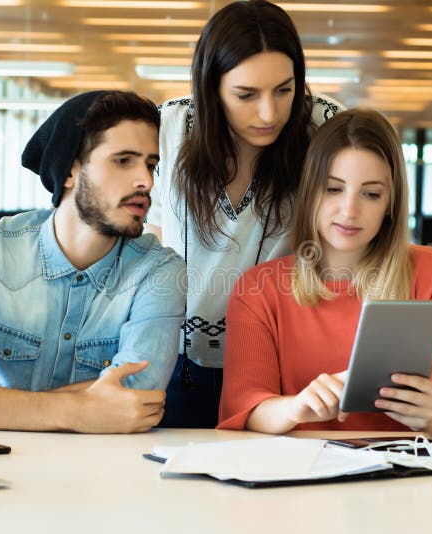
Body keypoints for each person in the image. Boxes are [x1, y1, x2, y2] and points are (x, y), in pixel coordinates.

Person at [0, 91, 186, 434]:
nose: (146, 181)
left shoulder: (160, 272)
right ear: (69, 171)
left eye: (150, 165)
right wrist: (77, 412)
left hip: (102, 474)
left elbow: (136, 399)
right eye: (123, 161)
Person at [218, 109, 432, 435]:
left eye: (371, 194)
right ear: (309, 193)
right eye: (333, 189)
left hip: (407, 472)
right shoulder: (259, 289)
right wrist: (295, 408)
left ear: (391, 203)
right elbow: (242, 408)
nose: (349, 211)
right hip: (300, 474)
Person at [145, 0, 342, 428]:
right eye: (246, 95)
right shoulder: (169, 128)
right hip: (177, 360)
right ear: (210, 88)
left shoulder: (325, 128)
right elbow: (152, 238)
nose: (269, 113)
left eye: (284, 90)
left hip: (285, 363)